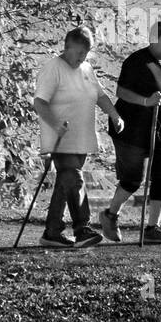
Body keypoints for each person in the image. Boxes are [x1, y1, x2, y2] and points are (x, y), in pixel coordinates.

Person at [99, 20, 161, 245]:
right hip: (132, 129)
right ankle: (110, 215)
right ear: (153, 39)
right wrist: (146, 101)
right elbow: (121, 91)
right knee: (133, 179)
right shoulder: (137, 61)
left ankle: (152, 227)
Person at [33, 26, 123, 249]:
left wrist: (114, 115)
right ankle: (82, 228)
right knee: (73, 178)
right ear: (67, 47)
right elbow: (39, 102)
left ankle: (52, 232)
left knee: (68, 183)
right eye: (80, 52)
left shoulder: (86, 68)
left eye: (86, 53)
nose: (83, 57)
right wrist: (55, 124)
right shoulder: (53, 68)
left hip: (81, 138)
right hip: (60, 137)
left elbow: (100, 95)